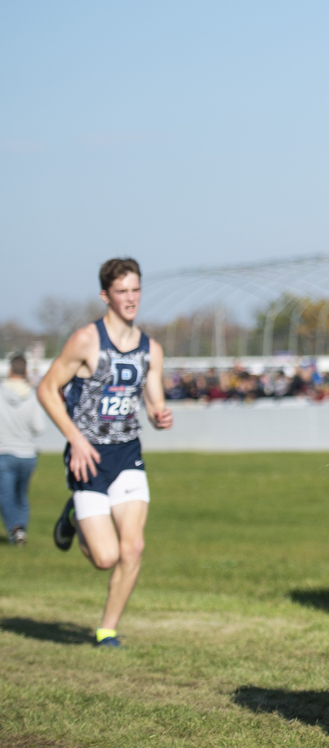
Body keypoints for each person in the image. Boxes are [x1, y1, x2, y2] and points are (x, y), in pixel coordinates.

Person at [36, 258, 173, 647]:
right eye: (121, 291)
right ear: (105, 295)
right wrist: (75, 440)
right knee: (105, 558)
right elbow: (47, 390)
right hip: (88, 456)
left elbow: (153, 400)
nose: (130, 298)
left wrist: (159, 414)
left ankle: (106, 630)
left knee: (133, 547)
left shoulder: (151, 349)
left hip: (127, 453)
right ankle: (73, 518)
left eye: (135, 290)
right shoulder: (86, 340)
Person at [1, 355, 46, 545]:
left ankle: (16, 529)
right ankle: (20, 531)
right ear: (26, 371)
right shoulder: (33, 395)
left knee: (6, 496)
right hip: (27, 454)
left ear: (10, 370)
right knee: (21, 496)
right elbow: (39, 427)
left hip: (4, 452)